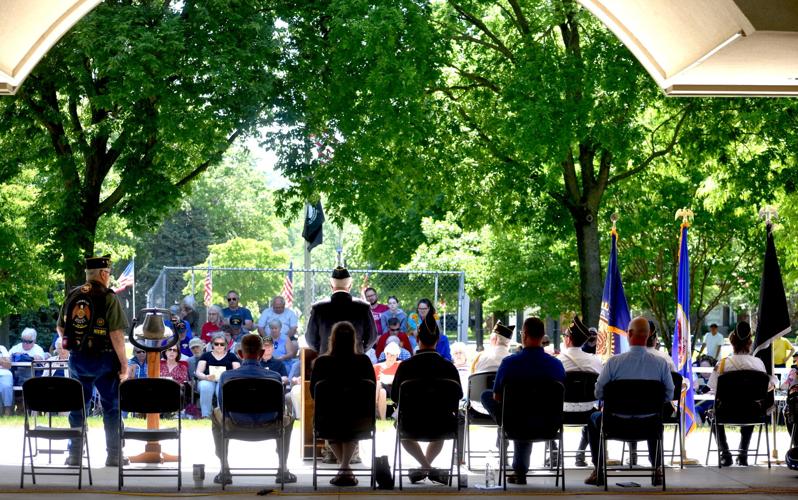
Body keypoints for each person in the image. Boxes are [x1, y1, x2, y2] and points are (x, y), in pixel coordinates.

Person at [57, 254, 130, 467]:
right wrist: (124, 364)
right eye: (109, 273)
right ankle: (114, 455)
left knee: (77, 406)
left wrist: (73, 345)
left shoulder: (73, 295)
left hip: (78, 359)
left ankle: (74, 455)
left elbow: (60, 327)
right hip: (104, 359)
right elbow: (116, 333)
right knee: (112, 407)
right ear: (104, 274)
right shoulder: (108, 297)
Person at [584, 316, 674, 487]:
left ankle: (599, 470)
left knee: (593, 418)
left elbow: (598, 392)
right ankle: (657, 469)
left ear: (630, 334)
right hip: (649, 425)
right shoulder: (661, 364)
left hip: (615, 424)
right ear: (648, 335)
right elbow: (669, 394)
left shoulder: (613, 363)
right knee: (655, 415)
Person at [480, 317, 566, 484]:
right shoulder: (556, 365)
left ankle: (518, 466)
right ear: (542, 336)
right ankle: (519, 470)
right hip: (548, 424)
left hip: (515, 424)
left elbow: (497, 397)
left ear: (524, 335)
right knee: (527, 409)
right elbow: (561, 396)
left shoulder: (509, 363)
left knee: (489, 396)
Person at [211, 333, 296, 486]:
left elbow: (223, 407)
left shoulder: (226, 377)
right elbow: (280, 407)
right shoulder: (275, 377)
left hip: (235, 424)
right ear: (261, 353)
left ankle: (224, 469)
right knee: (289, 418)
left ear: (240, 354)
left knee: (216, 413)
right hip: (270, 425)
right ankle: (283, 468)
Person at [392, 316, 462, 485]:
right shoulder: (448, 367)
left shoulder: (405, 366)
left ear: (418, 340)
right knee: (441, 427)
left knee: (400, 428)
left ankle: (424, 468)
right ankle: (428, 469)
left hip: (411, 423)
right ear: (437, 340)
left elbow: (394, 396)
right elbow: (458, 396)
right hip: (442, 424)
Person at [310, 321, 376, 486]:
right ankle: (345, 468)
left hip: (328, 420)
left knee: (331, 423)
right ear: (354, 340)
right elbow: (372, 391)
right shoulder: (364, 361)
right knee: (350, 425)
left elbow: (313, 393)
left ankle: (345, 469)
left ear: (332, 339)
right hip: (359, 419)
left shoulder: (321, 363)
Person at [708, 321, 778, 466]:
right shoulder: (758, 363)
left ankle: (725, 453)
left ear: (732, 342)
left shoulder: (722, 364)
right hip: (752, 412)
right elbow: (767, 387)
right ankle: (743, 454)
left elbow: (713, 387)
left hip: (727, 411)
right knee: (750, 403)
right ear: (750, 343)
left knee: (712, 413)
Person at [557, 316, 603, 468]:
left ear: (568, 339)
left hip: (561, 412)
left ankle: (554, 455)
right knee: (592, 413)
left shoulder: (557, 361)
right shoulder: (595, 361)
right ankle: (581, 454)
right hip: (588, 411)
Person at [305, 267, 378, 354]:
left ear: (331, 286)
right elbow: (372, 337)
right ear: (350, 286)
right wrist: (359, 350)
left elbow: (310, 339)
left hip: (327, 360)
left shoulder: (318, 308)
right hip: (355, 359)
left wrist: (324, 351)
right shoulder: (363, 307)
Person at [195, 332, 241, 418]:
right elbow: (198, 372)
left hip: (225, 381)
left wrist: (227, 377)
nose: (219, 346)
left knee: (221, 388)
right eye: (216, 344)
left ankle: (221, 416)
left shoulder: (232, 356)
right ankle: (206, 415)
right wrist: (205, 377)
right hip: (208, 379)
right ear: (212, 344)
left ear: (226, 345)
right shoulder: (206, 355)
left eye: (222, 344)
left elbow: (237, 372)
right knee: (205, 386)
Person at [375, 342, 402, 420]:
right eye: (388, 354)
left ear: (397, 356)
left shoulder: (400, 365)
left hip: (395, 390)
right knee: (382, 391)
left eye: (393, 355)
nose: (390, 357)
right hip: (380, 390)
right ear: (386, 354)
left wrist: (386, 379)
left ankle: (372, 408)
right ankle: (382, 419)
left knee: (379, 383)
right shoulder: (377, 366)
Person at [0, 343, 13, 416]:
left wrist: (1, 361)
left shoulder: (2, 348)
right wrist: (2, 360)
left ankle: (7, 410)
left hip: (4, 372)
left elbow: (8, 365)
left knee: (6, 386)